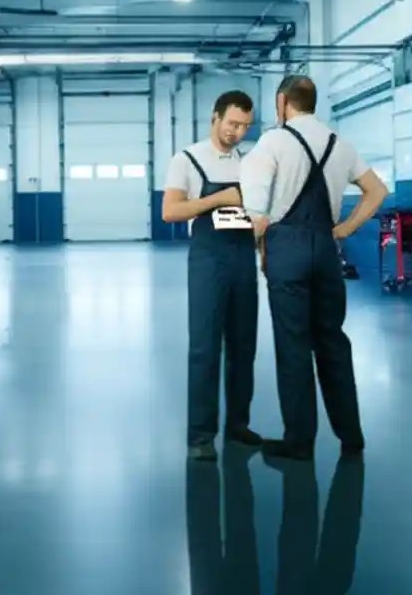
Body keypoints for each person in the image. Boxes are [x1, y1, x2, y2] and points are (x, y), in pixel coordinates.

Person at [239, 74, 388, 461]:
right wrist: (346, 229)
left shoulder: (271, 142)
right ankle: (351, 436)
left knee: (294, 345)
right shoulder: (340, 143)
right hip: (326, 250)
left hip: (286, 249)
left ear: (282, 101)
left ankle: (299, 441)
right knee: (332, 341)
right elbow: (378, 191)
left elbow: (256, 215)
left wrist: (261, 249)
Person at [163, 90, 262, 461]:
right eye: (233, 123)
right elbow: (170, 211)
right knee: (205, 347)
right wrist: (217, 200)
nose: (238, 131)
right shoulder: (186, 159)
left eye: (245, 127)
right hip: (207, 260)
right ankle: (201, 435)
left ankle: (238, 426)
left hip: (243, 257)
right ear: (215, 118)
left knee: (243, 347)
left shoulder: (249, 164)